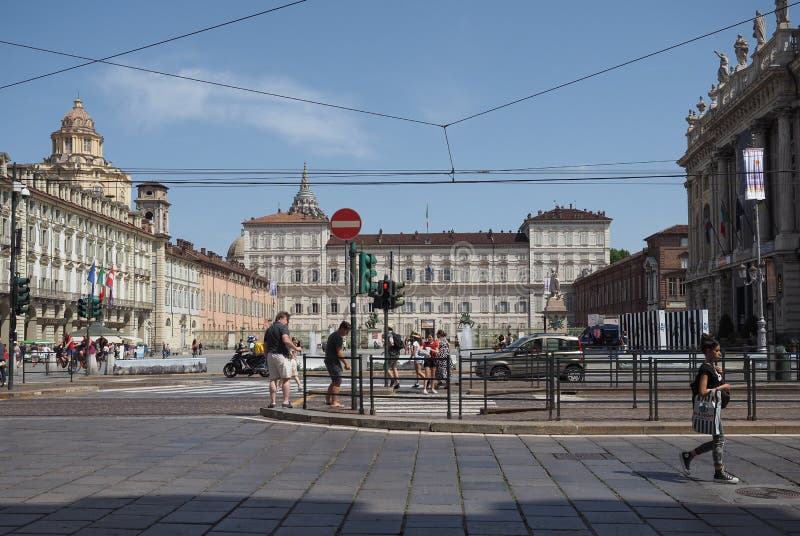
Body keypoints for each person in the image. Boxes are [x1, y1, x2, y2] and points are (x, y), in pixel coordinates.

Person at [679, 334, 739, 484]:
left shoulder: (712, 367)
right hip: (711, 409)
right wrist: (722, 387)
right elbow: (703, 391)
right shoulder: (705, 369)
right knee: (719, 440)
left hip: (716, 409)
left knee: (718, 440)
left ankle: (690, 455)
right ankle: (719, 472)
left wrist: (719, 374)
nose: (720, 353)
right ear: (709, 351)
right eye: (717, 350)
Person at [264, 311, 302, 409]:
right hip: (281, 355)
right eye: (287, 320)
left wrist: (266, 357)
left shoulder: (269, 329)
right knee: (286, 379)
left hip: (270, 355)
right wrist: (296, 348)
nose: (287, 322)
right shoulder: (283, 327)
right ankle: (285, 402)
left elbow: (265, 345)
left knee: (273, 379)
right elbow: (286, 340)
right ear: (282, 318)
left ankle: (272, 402)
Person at [324, 321, 352, 408]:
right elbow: (339, 353)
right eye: (347, 331)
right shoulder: (338, 338)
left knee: (334, 381)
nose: (347, 333)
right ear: (342, 329)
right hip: (333, 362)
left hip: (329, 360)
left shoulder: (333, 335)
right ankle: (334, 402)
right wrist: (346, 364)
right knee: (337, 381)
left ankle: (328, 399)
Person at [386, 325, 402, 390]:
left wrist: (387, 345)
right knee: (394, 367)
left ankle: (392, 379)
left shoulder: (390, 335)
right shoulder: (394, 334)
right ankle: (398, 383)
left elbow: (392, 343)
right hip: (397, 353)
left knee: (385, 367)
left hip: (392, 354)